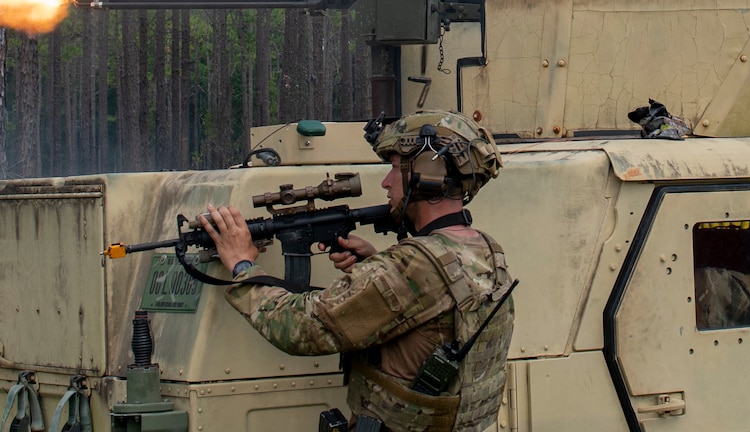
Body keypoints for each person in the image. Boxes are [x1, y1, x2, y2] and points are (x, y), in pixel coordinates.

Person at [199, 110, 515, 432]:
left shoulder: (410, 266)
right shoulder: (486, 249)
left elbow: (301, 327)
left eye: (394, 168)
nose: (386, 182)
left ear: (425, 172)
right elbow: (433, 315)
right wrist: (373, 264)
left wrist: (242, 264)